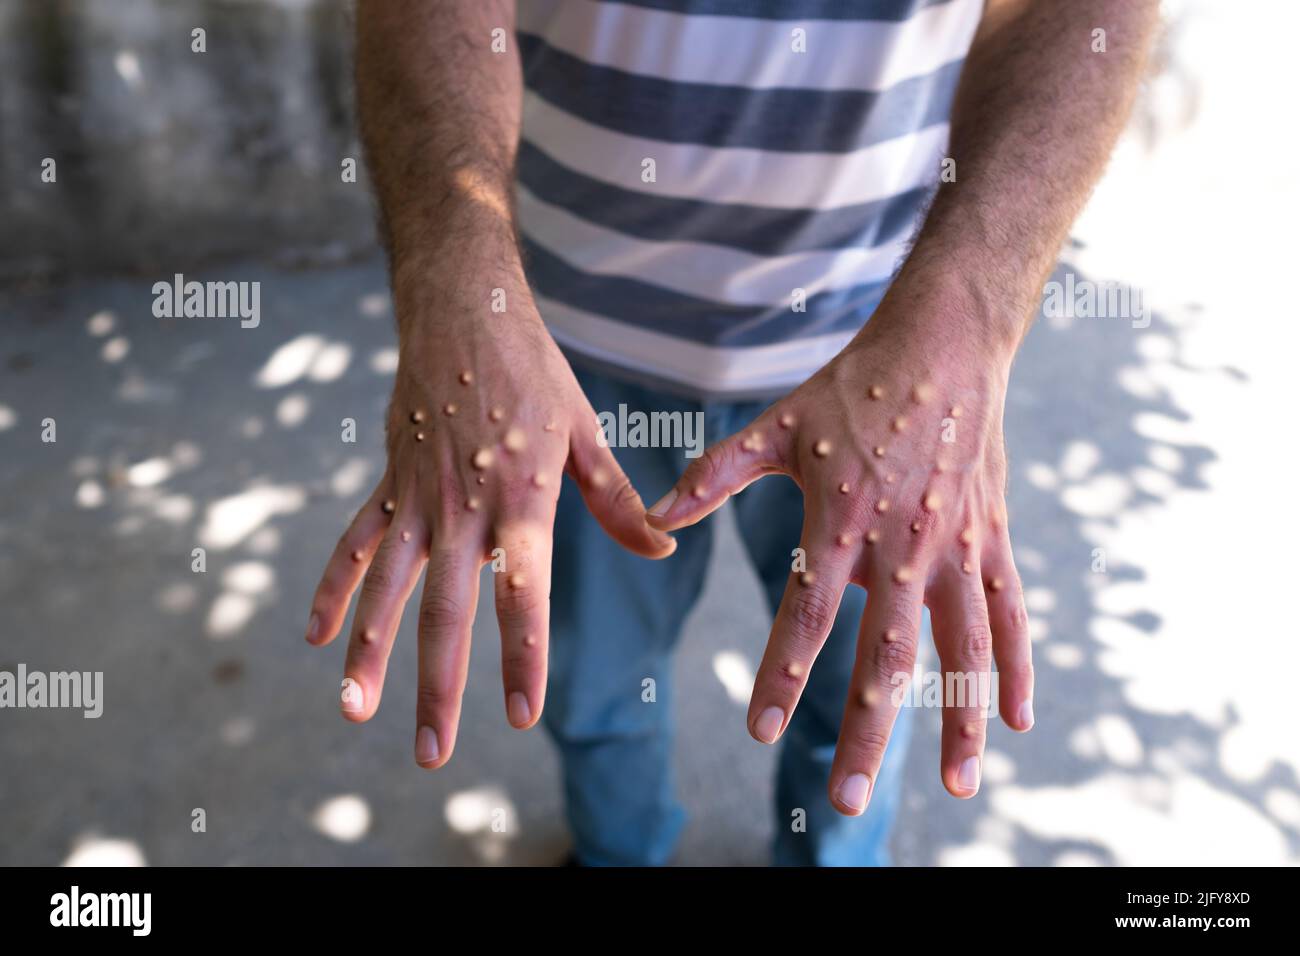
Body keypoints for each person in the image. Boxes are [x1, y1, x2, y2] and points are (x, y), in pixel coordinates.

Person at [305, 0, 1158, 866]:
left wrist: (969, 321)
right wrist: (456, 286)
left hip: (876, 358)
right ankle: (616, 854)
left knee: (866, 689)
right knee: (591, 684)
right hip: (559, 352)